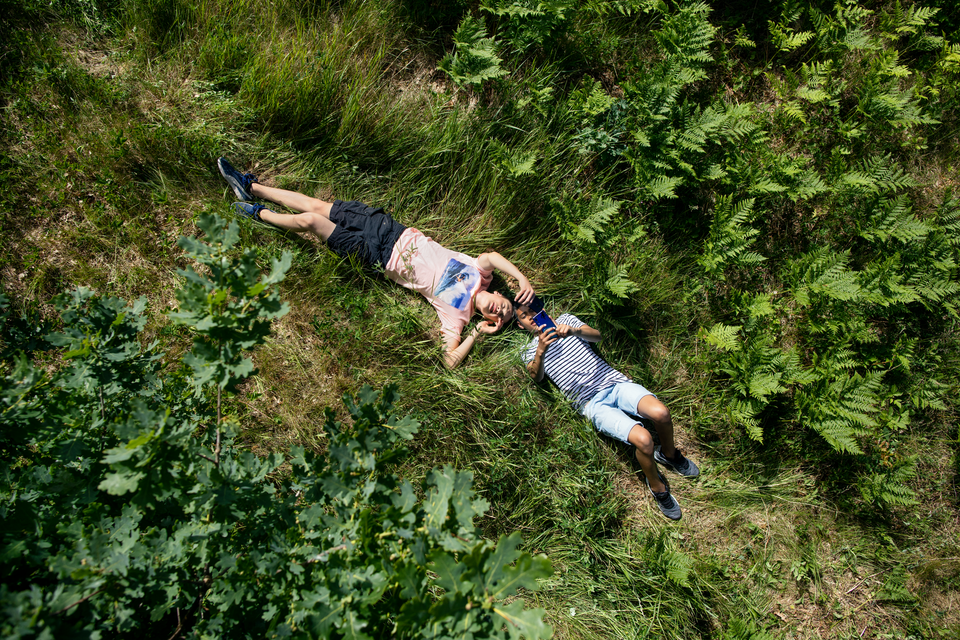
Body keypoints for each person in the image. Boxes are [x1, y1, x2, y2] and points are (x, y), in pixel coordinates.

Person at [217, 157, 533, 368]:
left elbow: (448, 361)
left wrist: (477, 332)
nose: (499, 311)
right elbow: (492, 257)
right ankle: (251, 186)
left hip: (376, 256)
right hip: (390, 229)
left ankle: (259, 213)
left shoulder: (457, 317)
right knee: (317, 205)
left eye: (500, 318)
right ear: (500, 294)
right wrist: (521, 279)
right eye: (505, 307)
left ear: (490, 320)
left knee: (311, 222)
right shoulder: (480, 272)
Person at [515, 301, 699, 520]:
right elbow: (536, 376)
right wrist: (541, 350)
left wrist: (573, 331)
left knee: (662, 414)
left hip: (614, 383)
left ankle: (669, 455)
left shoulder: (566, 320)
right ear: (520, 325)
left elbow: (597, 336)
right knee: (644, 440)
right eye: (525, 316)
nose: (532, 317)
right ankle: (657, 487)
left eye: (533, 311)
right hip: (591, 403)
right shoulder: (528, 350)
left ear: (542, 310)